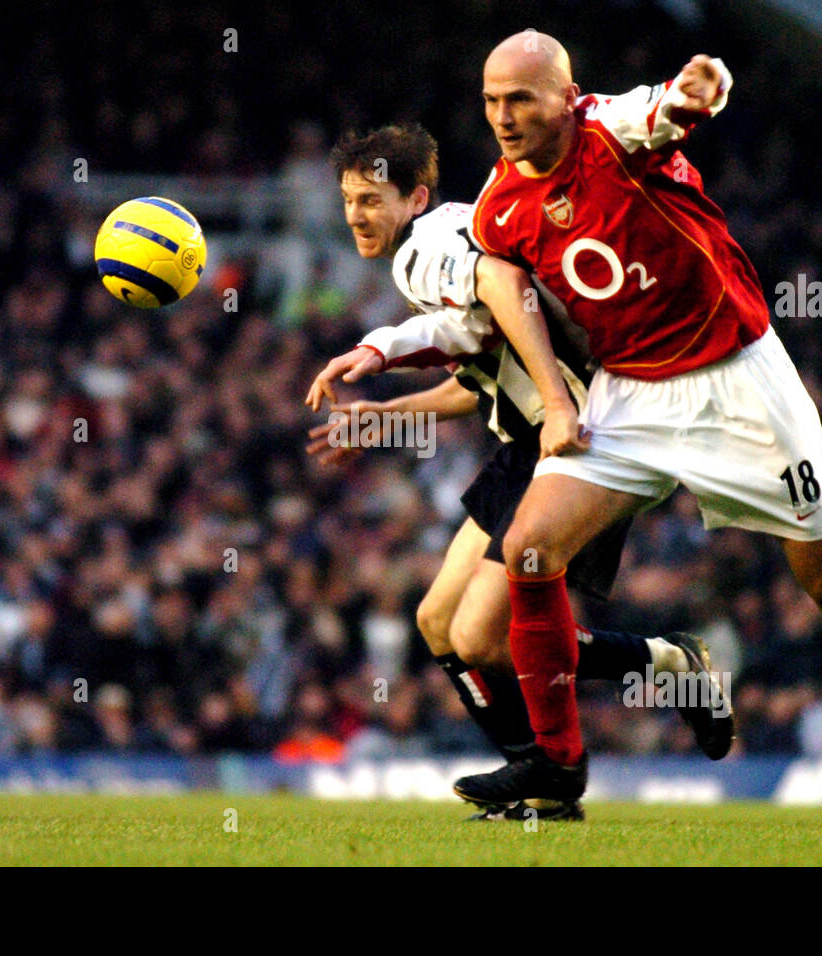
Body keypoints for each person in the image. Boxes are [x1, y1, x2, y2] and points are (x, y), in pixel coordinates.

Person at [449, 31, 822, 827]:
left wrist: (701, 86)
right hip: (632, 393)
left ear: (567, 99)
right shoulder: (500, 208)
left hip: (738, 384)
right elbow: (500, 274)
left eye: (521, 100)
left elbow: (672, 105)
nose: (503, 116)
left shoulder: (611, 131)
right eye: (492, 101)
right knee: (532, 550)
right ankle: (558, 765)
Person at [304, 124, 733, 819]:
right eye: (349, 199)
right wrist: (384, 417)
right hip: (530, 439)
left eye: (370, 199)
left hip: (574, 435)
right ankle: (537, 785)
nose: (356, 213)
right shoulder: (446, 239)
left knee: (480, 636)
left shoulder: (430, 248)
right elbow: (477, 372)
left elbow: (500, 285)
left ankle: (667, 667)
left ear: (414, 197)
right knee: (439, 621)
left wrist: (382, 352)